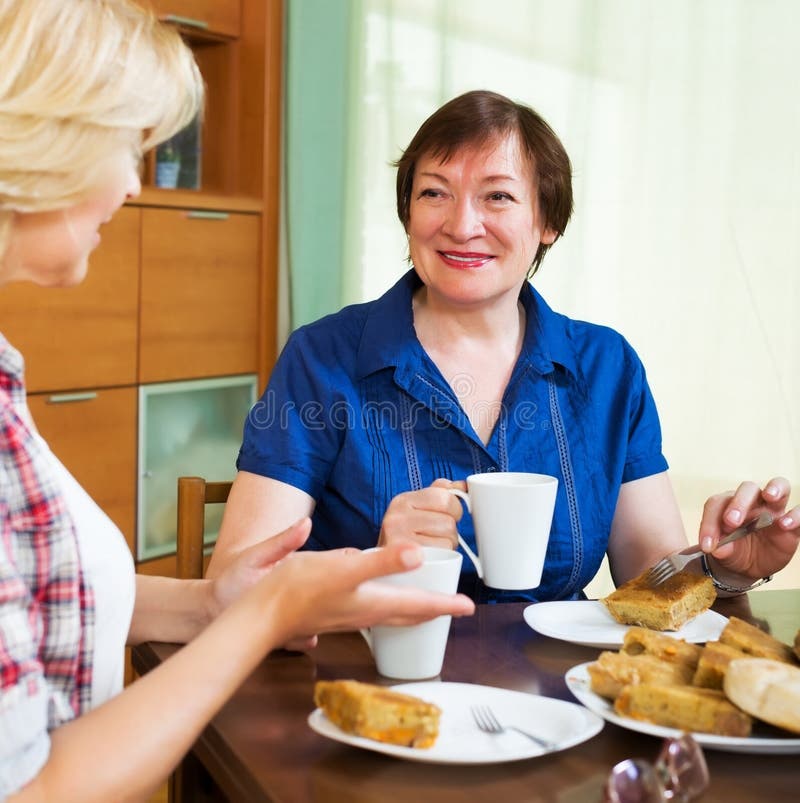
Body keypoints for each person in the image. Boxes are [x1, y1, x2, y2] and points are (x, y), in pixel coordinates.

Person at [0, 3, 475, 800]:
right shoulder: (326, 353)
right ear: (44, 143)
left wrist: (209, 603)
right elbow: (29, 786)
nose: (133, 183)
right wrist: (263, 613)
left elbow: (46, 591)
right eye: (124, 145)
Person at [208, 89, 799, 602]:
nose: (461, 226)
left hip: (563, 688)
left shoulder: (606, 368)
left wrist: (726, 569)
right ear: (408, 213)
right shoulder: (323, 357)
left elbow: (652, 581)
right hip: (374, 680)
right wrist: (375, 563)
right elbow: (232, 583)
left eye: (497, 197)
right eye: (434, 193)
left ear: (549, 223)